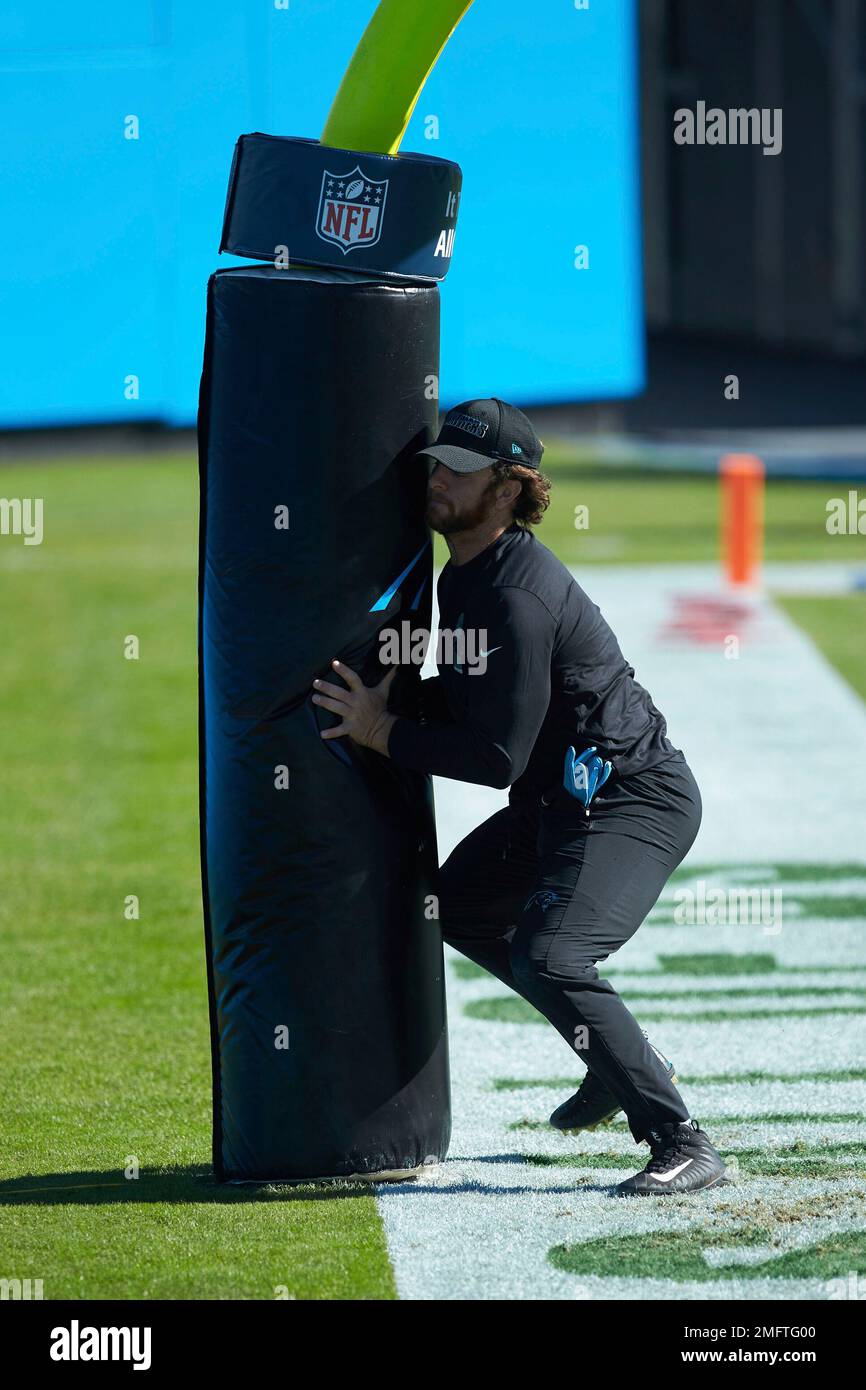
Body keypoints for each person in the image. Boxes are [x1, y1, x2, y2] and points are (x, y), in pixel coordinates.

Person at [310, 398, 727, 1196]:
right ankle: (611, 1055)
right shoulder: (463, 574)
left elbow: (497, 755)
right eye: (436, 463)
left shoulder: (515, 595)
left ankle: (681, 1137)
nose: (434, 480)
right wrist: (402, 696)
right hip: (558, 806)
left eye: (458, 472)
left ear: (508, 487)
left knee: (552, 953)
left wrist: (380, 728)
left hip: (630, 799)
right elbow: (482, 702)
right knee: (456, 906)